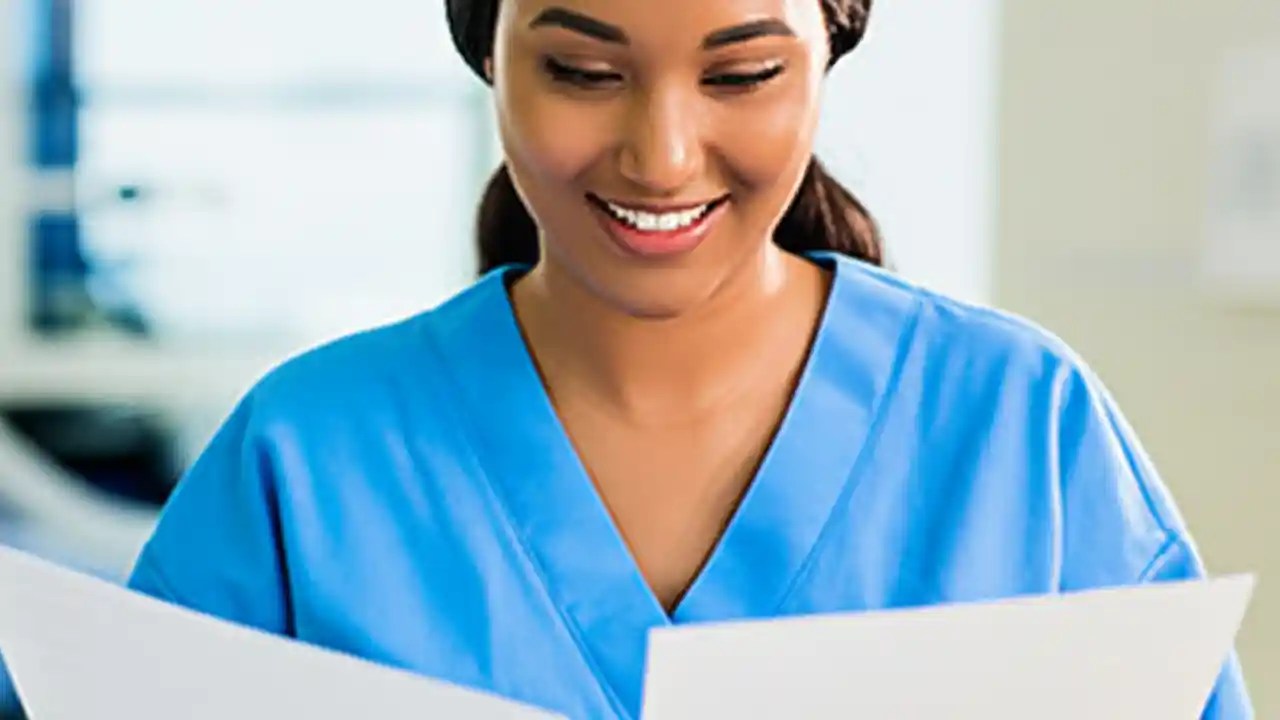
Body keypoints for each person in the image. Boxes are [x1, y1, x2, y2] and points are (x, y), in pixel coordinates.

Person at [126, 0, 1252, 717]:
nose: (661, 158)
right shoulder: (304, 461)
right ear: (489, 54)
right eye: (581, 70)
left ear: (830, 45)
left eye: (742, 74)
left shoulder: (1020, 430)